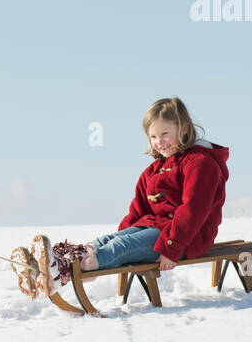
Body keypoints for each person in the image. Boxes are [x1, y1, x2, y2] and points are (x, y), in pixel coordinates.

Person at [14, 97, 229, 297]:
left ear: (184, 128)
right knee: (106, 241)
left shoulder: (200, 164)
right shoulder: (153, 171)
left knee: (122, 247)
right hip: (156, 228)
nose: (159, 142)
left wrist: (173, 247)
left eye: (165, 134)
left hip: (187, 238)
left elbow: (193, 210)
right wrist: (122, 233)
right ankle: (50, 265)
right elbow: (138, 210)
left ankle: (60, 271)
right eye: (153, 137)